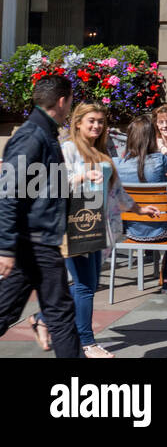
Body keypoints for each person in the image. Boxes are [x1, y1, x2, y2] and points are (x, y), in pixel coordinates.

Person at [32, 104, 161, 358]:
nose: (97, 126)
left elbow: (117, 190)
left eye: (101, 122)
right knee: (84, 287)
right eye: (91, 121)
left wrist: (139, 209)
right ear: (78, 122)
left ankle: (43, 316)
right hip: (74, 225)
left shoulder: (103, 151)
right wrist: (81, 177)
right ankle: (87, 343)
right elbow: (50, 185)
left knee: (87, 285)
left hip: (98, 226)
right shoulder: (67, 149)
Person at [0, 75, 80, 358]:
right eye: (71, 102)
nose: (70, 108)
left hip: (35, 242)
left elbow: (42, 188)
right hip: (32, 243)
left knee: (53, 313)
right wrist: (6, 248)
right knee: (60, 316)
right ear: (61, 101)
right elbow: (8, 193)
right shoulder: (32, 136)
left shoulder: (44, 134)